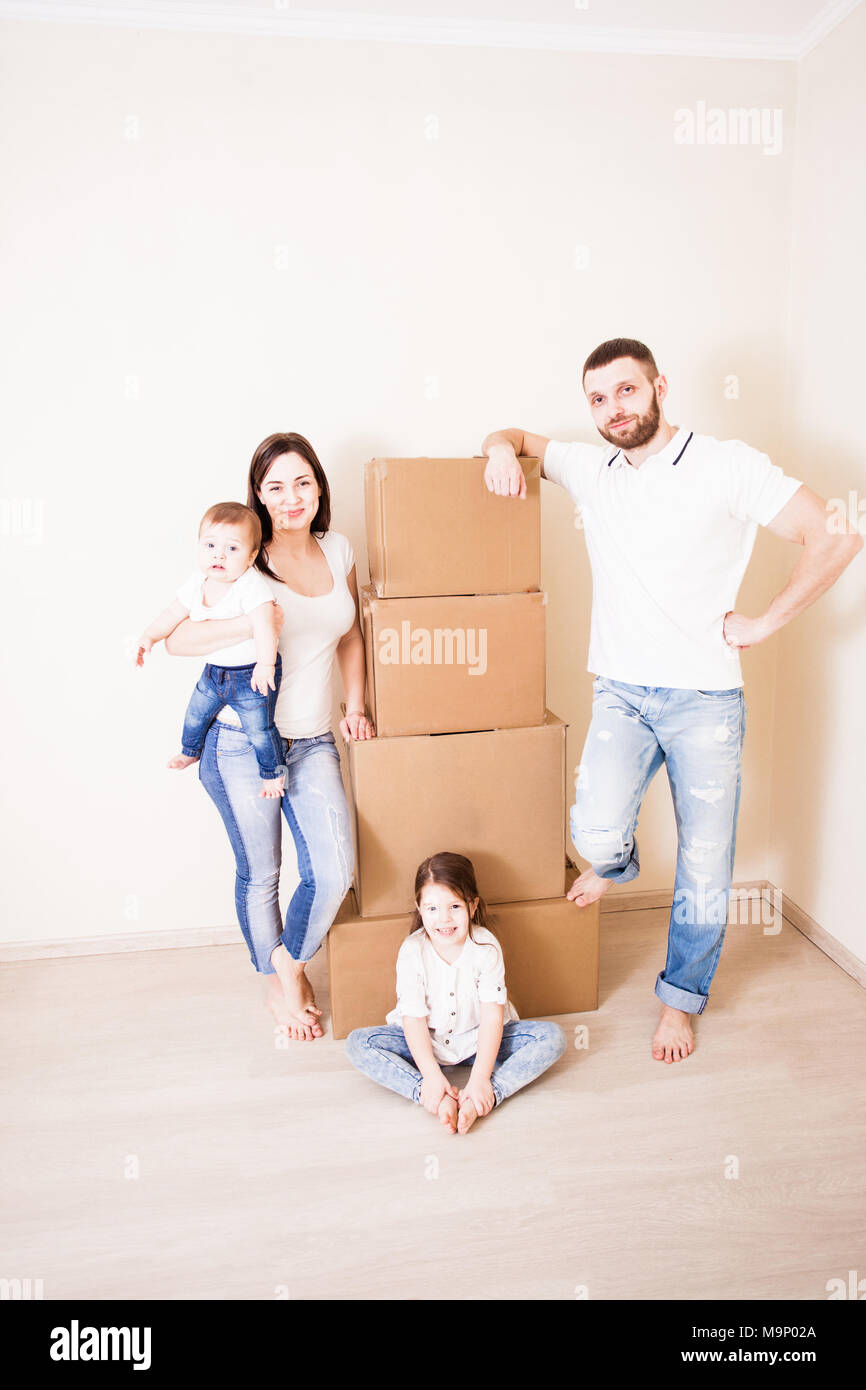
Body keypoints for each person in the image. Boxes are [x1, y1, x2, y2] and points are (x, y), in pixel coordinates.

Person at [481, 337, 863, 1065]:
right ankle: (614, 866)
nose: (612, 409)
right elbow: (514, 436)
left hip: (705, 701)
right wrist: (501, 450)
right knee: (595, 835)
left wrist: (764, 622)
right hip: (622, 693)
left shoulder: (728, 464)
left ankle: (679, 1001)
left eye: (625, 391)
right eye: (597, 399)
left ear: (659, 386)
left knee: (704, 866)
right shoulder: (593, 469)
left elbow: (836, 534)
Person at [165, 433, 375, 1041]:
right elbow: (178, 639)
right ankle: (280, 979)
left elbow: (351, 634)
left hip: (312, 742)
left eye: (302, 483)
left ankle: (290, 959)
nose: (290, 498)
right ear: (257, 493)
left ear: (319, 489)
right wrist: (251, 621)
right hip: (237, 744)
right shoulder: (239, 559)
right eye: (275, 486)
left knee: (333, 872)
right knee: (262, 874)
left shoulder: (338, 550)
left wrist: (354, 706)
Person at [345, 852, 567, 1134]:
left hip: (479, 1040)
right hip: (427, 1042)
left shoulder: (485, 947)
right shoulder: (413, 951)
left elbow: (491, 1018)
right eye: (432, 909)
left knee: (552, 1038)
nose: (444, 919)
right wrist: (431, 1076)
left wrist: (480, 1079)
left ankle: (480, 1098)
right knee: (358, 1043)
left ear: (472, 906)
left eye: (454, 907)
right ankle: (435, 1096)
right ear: (419, 908)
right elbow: (413, 1019)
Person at [135, 501, 285, 798]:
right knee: (195, 714)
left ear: (251, 556)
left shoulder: (249, 586)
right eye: (211, 545)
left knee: (260, 729)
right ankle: (190, 750)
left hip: (250, 676)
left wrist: (266, 665)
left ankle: (272, 775)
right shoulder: (197, 583)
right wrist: (149, 637)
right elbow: (172, 613)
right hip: (214, 674)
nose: (219, 554)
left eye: (232, 549)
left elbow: (267, 625)